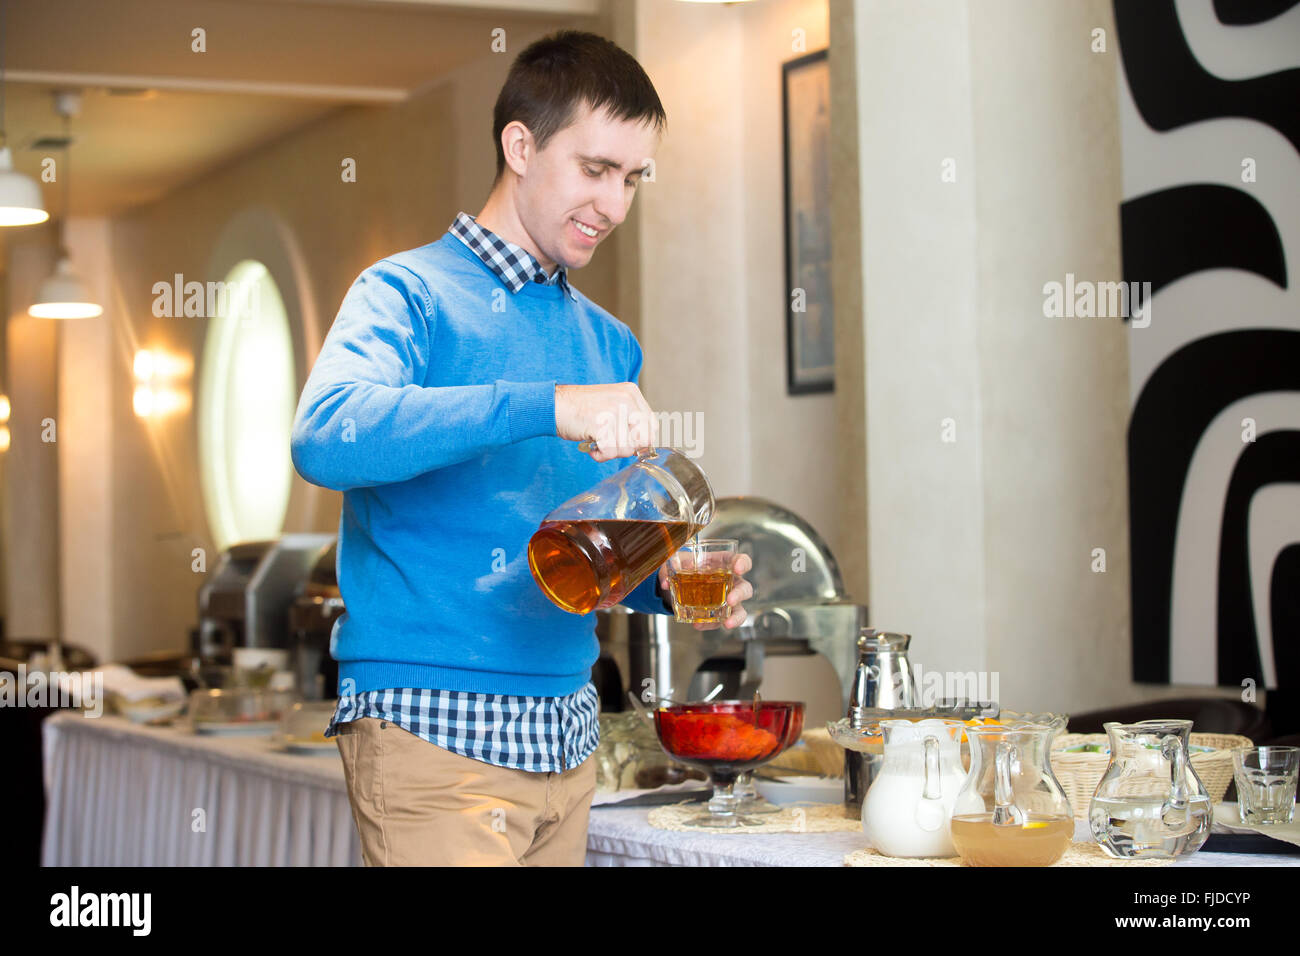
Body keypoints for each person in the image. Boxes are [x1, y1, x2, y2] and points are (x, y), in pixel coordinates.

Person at [290, 29, 753, 866]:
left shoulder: (609, 345)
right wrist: (544, 405)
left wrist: (674, 591)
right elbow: (328, 434)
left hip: (567, 740)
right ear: (521, 145)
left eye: (634, 178)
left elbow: (594, 555)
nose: (614, 204)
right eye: (595, 169)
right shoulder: (406, 293)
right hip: (432, 729)